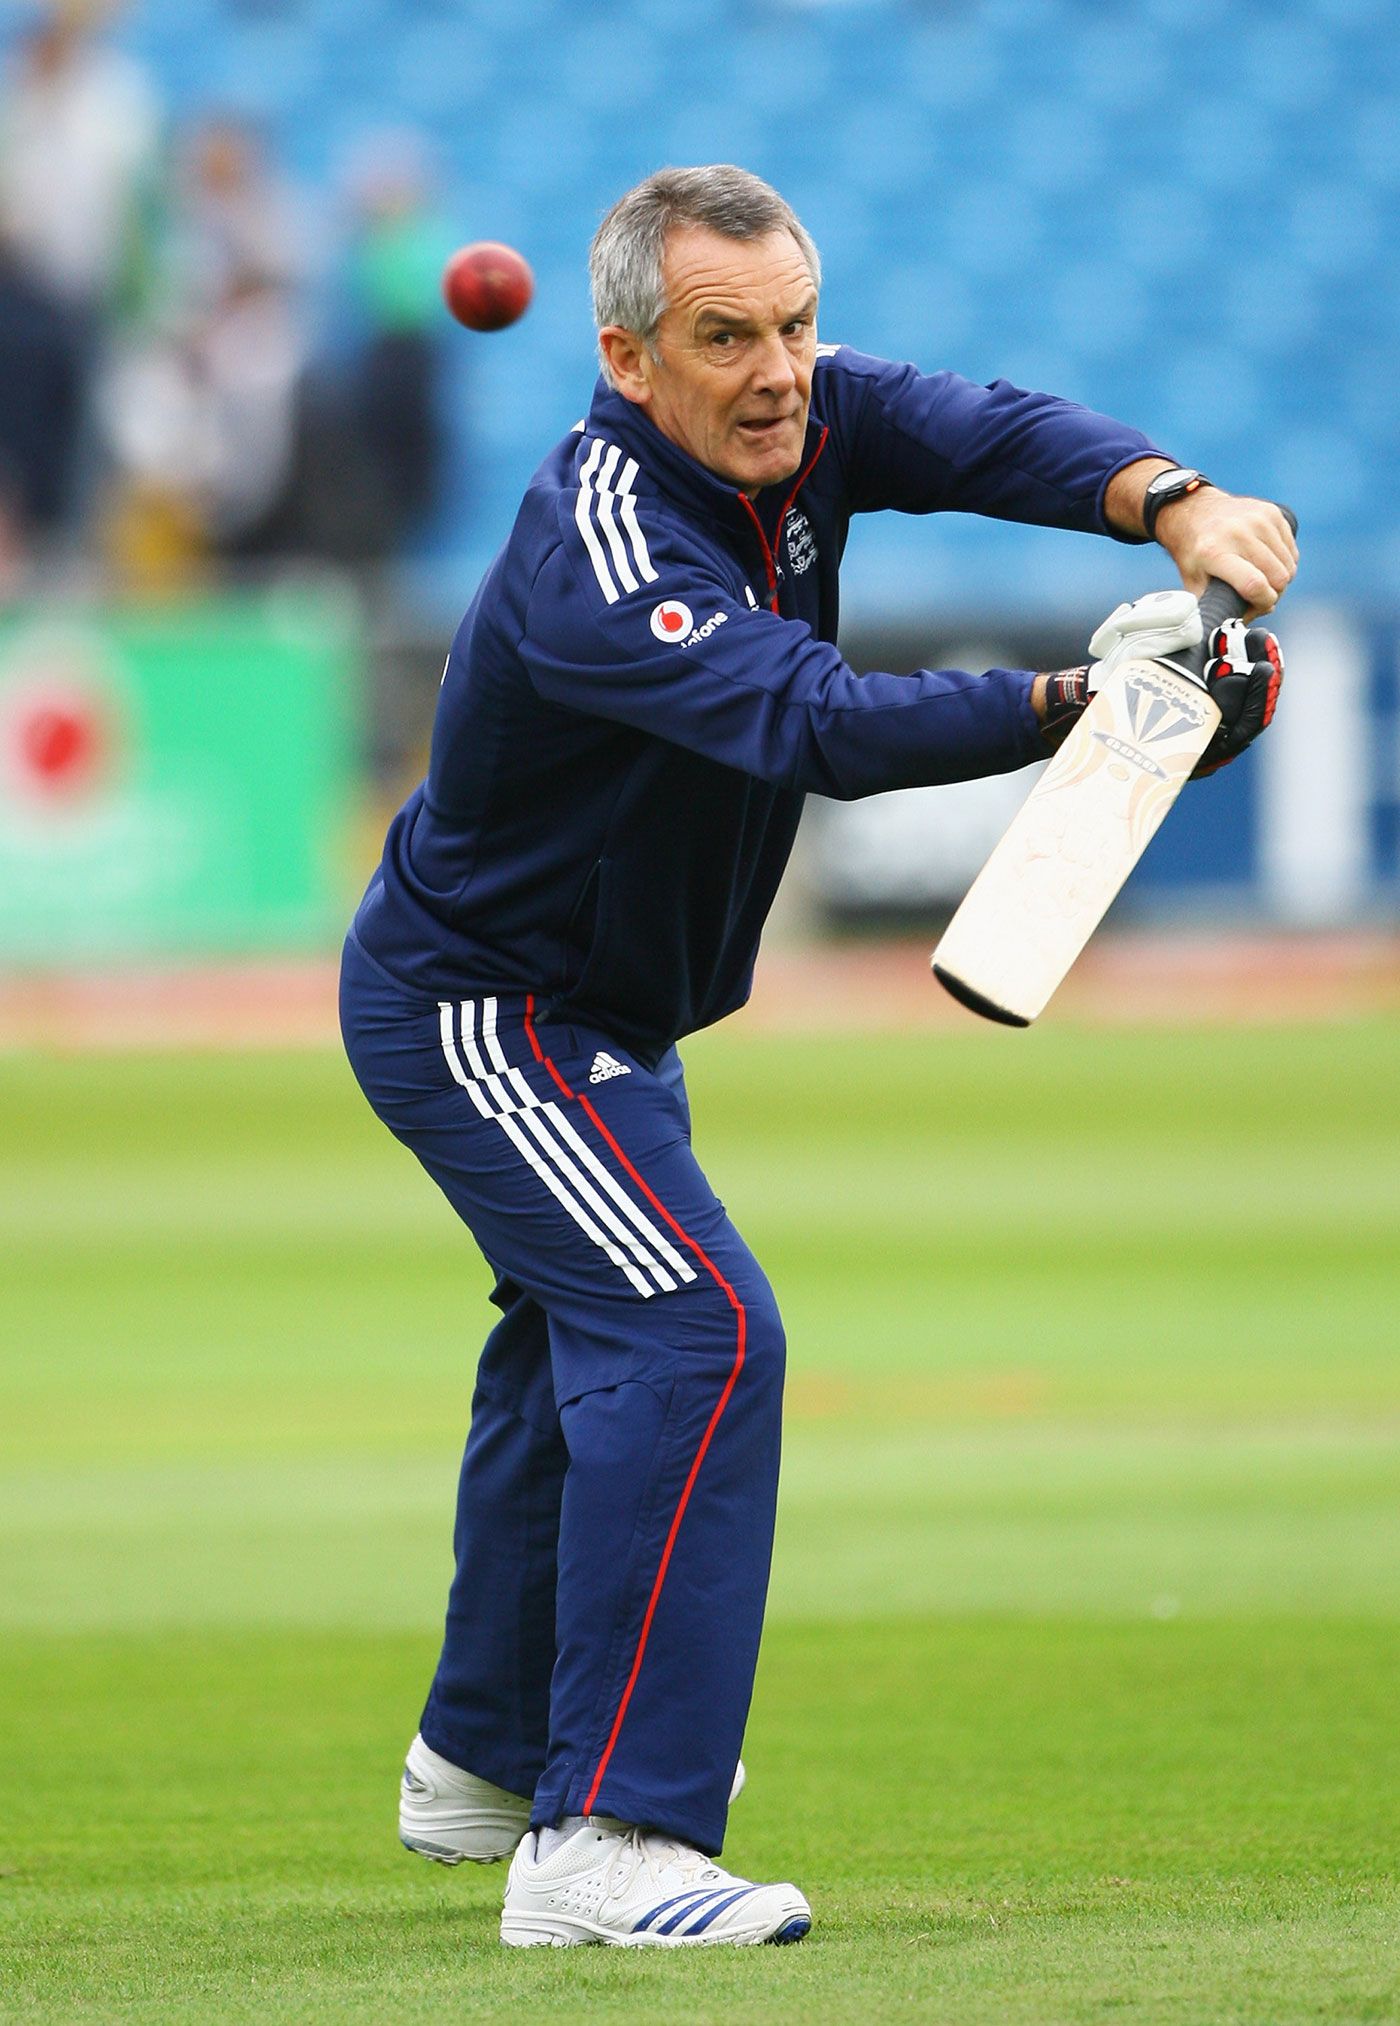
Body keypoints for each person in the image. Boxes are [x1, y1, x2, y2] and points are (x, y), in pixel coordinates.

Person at [339, 165, 1295, 1950]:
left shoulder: (808, 404)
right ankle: (605, 1842)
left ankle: (478, 1761)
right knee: (693, 1325)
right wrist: (1085, 710)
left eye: (792, 324)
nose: (782, 372)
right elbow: (814, 722)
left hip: (599, 1006)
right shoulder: (604, 545)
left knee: (578, 1330)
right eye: (728, 341)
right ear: (630, 358)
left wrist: (1173, 497)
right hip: (488, 1008)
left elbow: (990, 428)